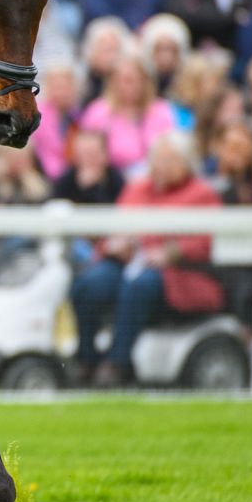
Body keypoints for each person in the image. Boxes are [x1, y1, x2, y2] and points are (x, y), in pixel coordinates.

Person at [69, 131, 224, 386]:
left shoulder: (202, 194)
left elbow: (206, 241)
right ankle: (86, 359)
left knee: (138, 285)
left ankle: (118, 364)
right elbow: (115, 227)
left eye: (169, 160)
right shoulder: (137, 189)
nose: (161, 166)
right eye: (157, 159)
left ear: (187, 163)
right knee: (89, 284)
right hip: (128, 261)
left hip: (178, 273)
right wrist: (115, 244)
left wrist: (172, 252)